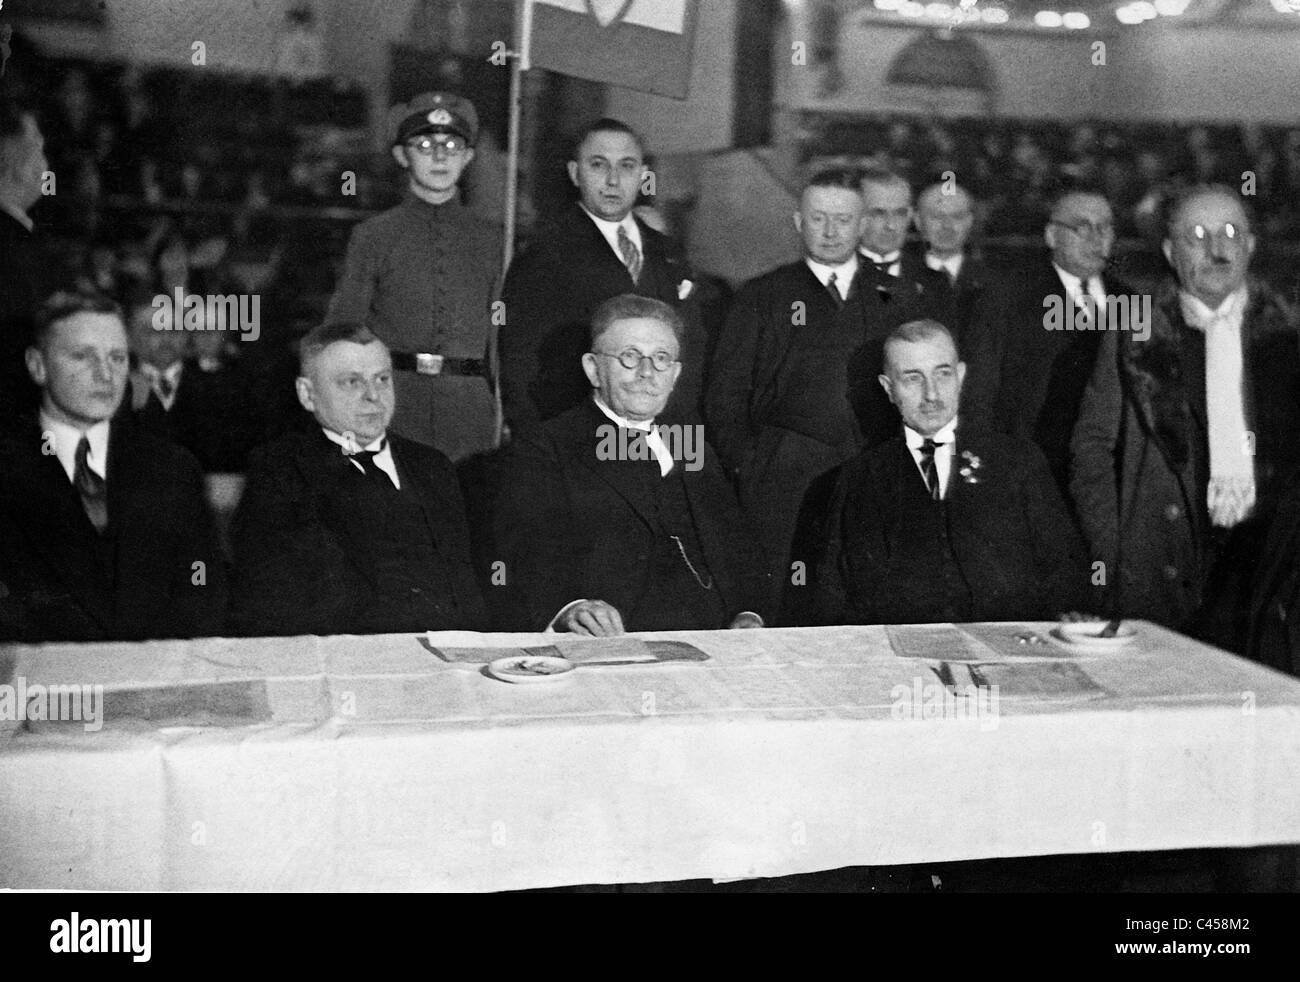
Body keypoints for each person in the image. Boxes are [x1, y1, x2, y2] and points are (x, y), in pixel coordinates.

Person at [1070, 185, 1300, 651]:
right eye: (1197, 236)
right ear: (1170, 252)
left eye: (1230, 233)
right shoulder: (1134, 328)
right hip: (1164, 568)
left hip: (1267, 572)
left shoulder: (1287, 332)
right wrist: (1113, 555)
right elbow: (1092, 448)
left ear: (1250, 246)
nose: (1217, 249)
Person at [492, 294, 769, 635]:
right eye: (630, 356)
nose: (647, 373)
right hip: (613, 639)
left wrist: (748, 611)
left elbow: (736, 545)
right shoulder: (547, 445)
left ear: (675, 374)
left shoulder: (689, 442)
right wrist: (570, 607)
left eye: (661, 359)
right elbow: (526, 550)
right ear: (593, 369)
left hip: (715, 639)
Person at [707, 168, 894, 613]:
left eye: (843, 220)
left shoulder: (896, 295)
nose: (830, 231)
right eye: (817, 218)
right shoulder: (762, 295)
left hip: (872, 474)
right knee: (783, 604)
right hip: (782, 484)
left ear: (863, 224)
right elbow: (724, 397)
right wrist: (755, 465)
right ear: (798, 222)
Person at [820, 320, 1088, 624]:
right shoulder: (859, 479)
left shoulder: (1019, 463)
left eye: (942, 374)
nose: (931, 394)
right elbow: (834, 599)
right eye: (913, 378)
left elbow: (1066, 575)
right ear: (889, 388)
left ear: (960, 376)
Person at [229, 322, 487, 637]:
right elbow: (269, 608)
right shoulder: (280, 474)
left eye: (382, 379)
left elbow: (467, 600)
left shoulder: (432, 467)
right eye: (352, 382)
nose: (373, 396)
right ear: (308, 394)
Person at [0, 289, 227, 642]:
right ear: (38, 365)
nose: (105, 374)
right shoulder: (10, 468)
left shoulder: (172, 468)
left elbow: (202, 579)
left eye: (117, 358)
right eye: (83, 356)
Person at [326, 91, 499, 461]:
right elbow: (345, 328)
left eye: (452, 146)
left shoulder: (493, 241)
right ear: (402, 156)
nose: (440, 156)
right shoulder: (374, 236)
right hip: (394, 406)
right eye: (424, 145)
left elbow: (501, 336)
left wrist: (506, 411)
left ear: (468, 157)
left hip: (467, 412)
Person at [500, 118, 701, 429]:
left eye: (627, 166)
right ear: (574, 173)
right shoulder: (545, 254)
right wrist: (537, 442)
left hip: (658, 437)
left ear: (643, 175)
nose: (613, 180)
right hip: (579, 437)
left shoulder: (667, 252)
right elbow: (519, 364)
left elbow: (689, 353)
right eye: (598, 165)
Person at [962, 186, 1136, 498]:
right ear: (1052, 236)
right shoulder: (1008, 299)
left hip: (1111, 478)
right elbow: (980, 391)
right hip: (1030, 474)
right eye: (1081, 227)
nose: (1095, 238)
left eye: (1104, 228)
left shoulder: (1131, 301)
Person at [856, 166, 955, 331]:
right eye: (879, 213)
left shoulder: (936, 284)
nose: (890, 225)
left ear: (910, 216)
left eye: (899, 213)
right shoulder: (835, 278)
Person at [0, 102, 50, 419]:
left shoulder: (21, 241)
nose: (46, 163)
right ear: (20, 165)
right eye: (39, 149)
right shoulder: (12, 249)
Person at [909, 180, 991, 342]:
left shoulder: (996, 285)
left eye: (957, 217)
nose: (947, 226)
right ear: (918, 221)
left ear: (970, 221)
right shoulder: (897, 281)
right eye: (937, 216)